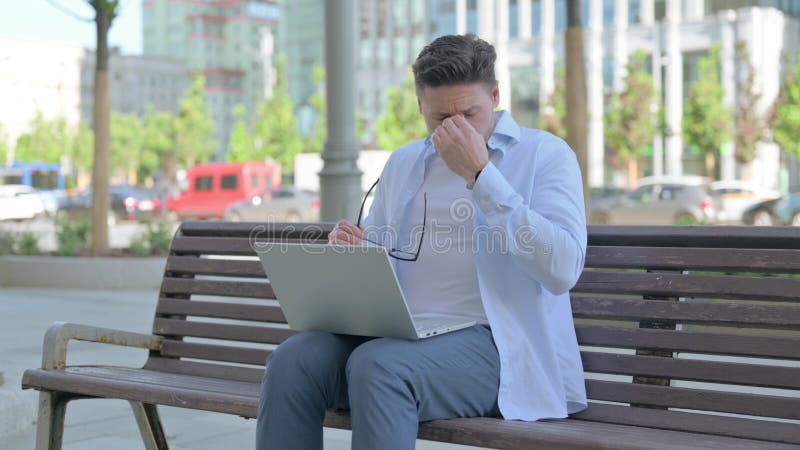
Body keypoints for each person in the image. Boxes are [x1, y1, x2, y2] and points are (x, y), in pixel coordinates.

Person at [257, 33, 587, 450]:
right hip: (402, 335)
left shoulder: (544, 155)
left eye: (470, 113)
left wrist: (483, 176)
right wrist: (358, 258)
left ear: (497, 95)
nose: (455, 129)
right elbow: (385, 264)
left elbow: (562, 269)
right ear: (419, 107)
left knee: (380, 368)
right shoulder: (404, 163)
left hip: (499, 347)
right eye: (439, 119)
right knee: (293, 362)